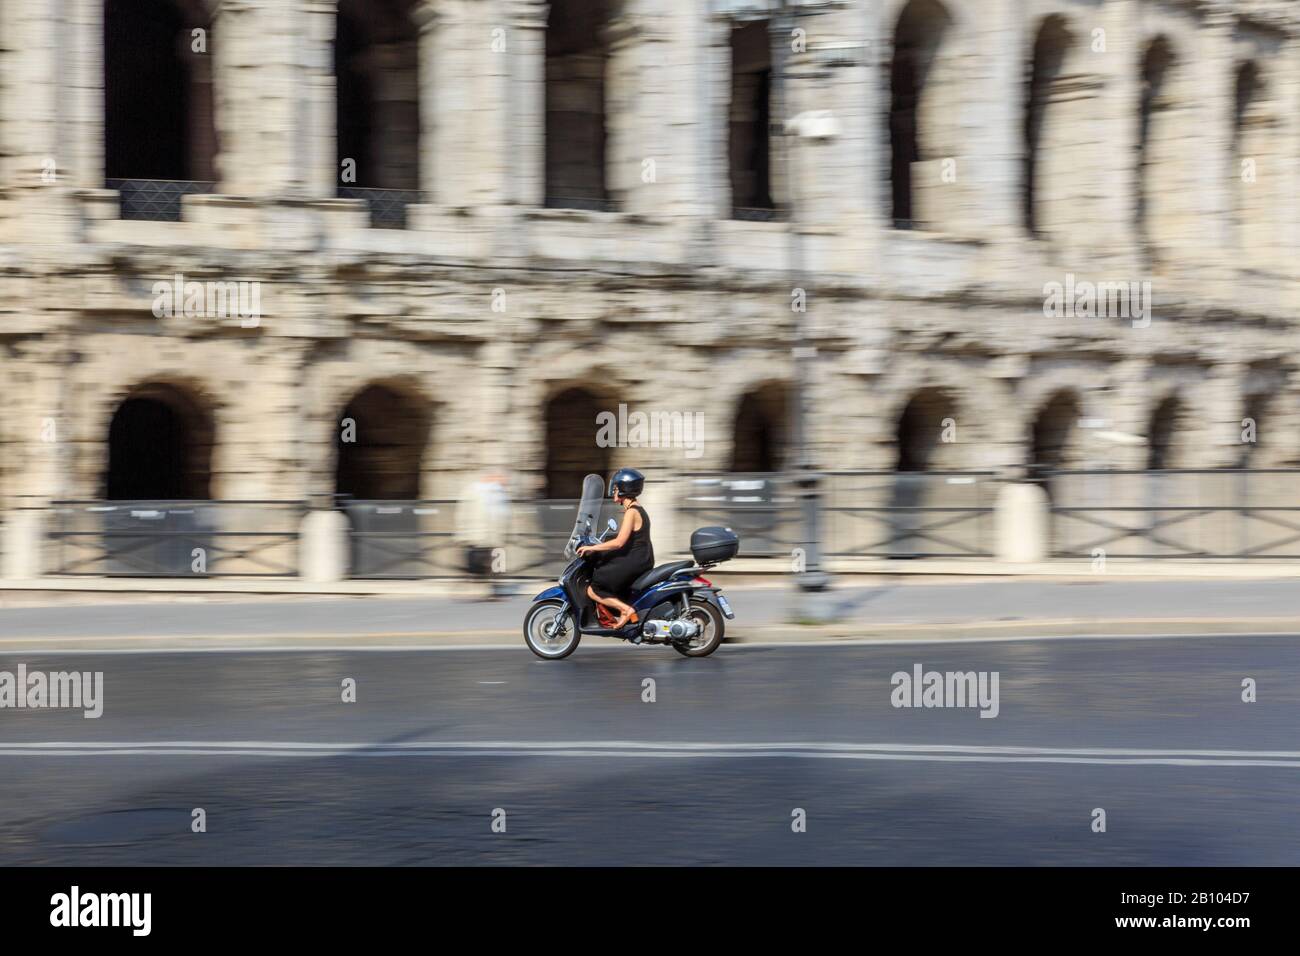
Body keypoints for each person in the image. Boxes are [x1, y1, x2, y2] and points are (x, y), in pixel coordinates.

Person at [577, 468, 654, 629]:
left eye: (616, 488)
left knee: (594, 588)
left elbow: (619, 542)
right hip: (641, 558)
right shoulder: (636, 510)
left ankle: (626, 610)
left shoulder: (632, 512)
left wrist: (594, 547)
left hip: (636, 560)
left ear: (624, 489)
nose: (614, 491)